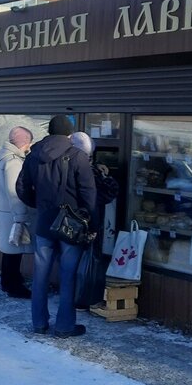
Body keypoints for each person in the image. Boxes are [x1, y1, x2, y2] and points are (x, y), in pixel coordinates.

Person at [17, 116, 96, 337]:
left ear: (49, 132)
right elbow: (89, 195)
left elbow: (21, 187)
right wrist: (91, 223)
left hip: (43, 223)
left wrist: (40, 205)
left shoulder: (33, 155)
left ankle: (39, 324)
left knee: (40, 275)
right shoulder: (78, 157)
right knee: (68, 275)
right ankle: (64, 326)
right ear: (69, 135)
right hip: (71, 225)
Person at [68, 132, 120, 310]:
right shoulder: (92, 172)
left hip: (66, 221)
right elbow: (109, 193)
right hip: (89, 221)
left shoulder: (62, 166)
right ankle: (84, 298)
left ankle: (70, 296)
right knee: (89, 261)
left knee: (69, 260)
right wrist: (106, 176)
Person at [0, 126, 35, 299]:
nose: (29, 147)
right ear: (24, 142)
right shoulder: (13, 161)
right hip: (13, 214)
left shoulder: (4, 157)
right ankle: (13, 285)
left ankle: (9, 281)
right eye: (29, 143)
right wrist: (21, 216)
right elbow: (15, 191)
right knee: (14, 250)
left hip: (6, 212)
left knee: (10, 250)